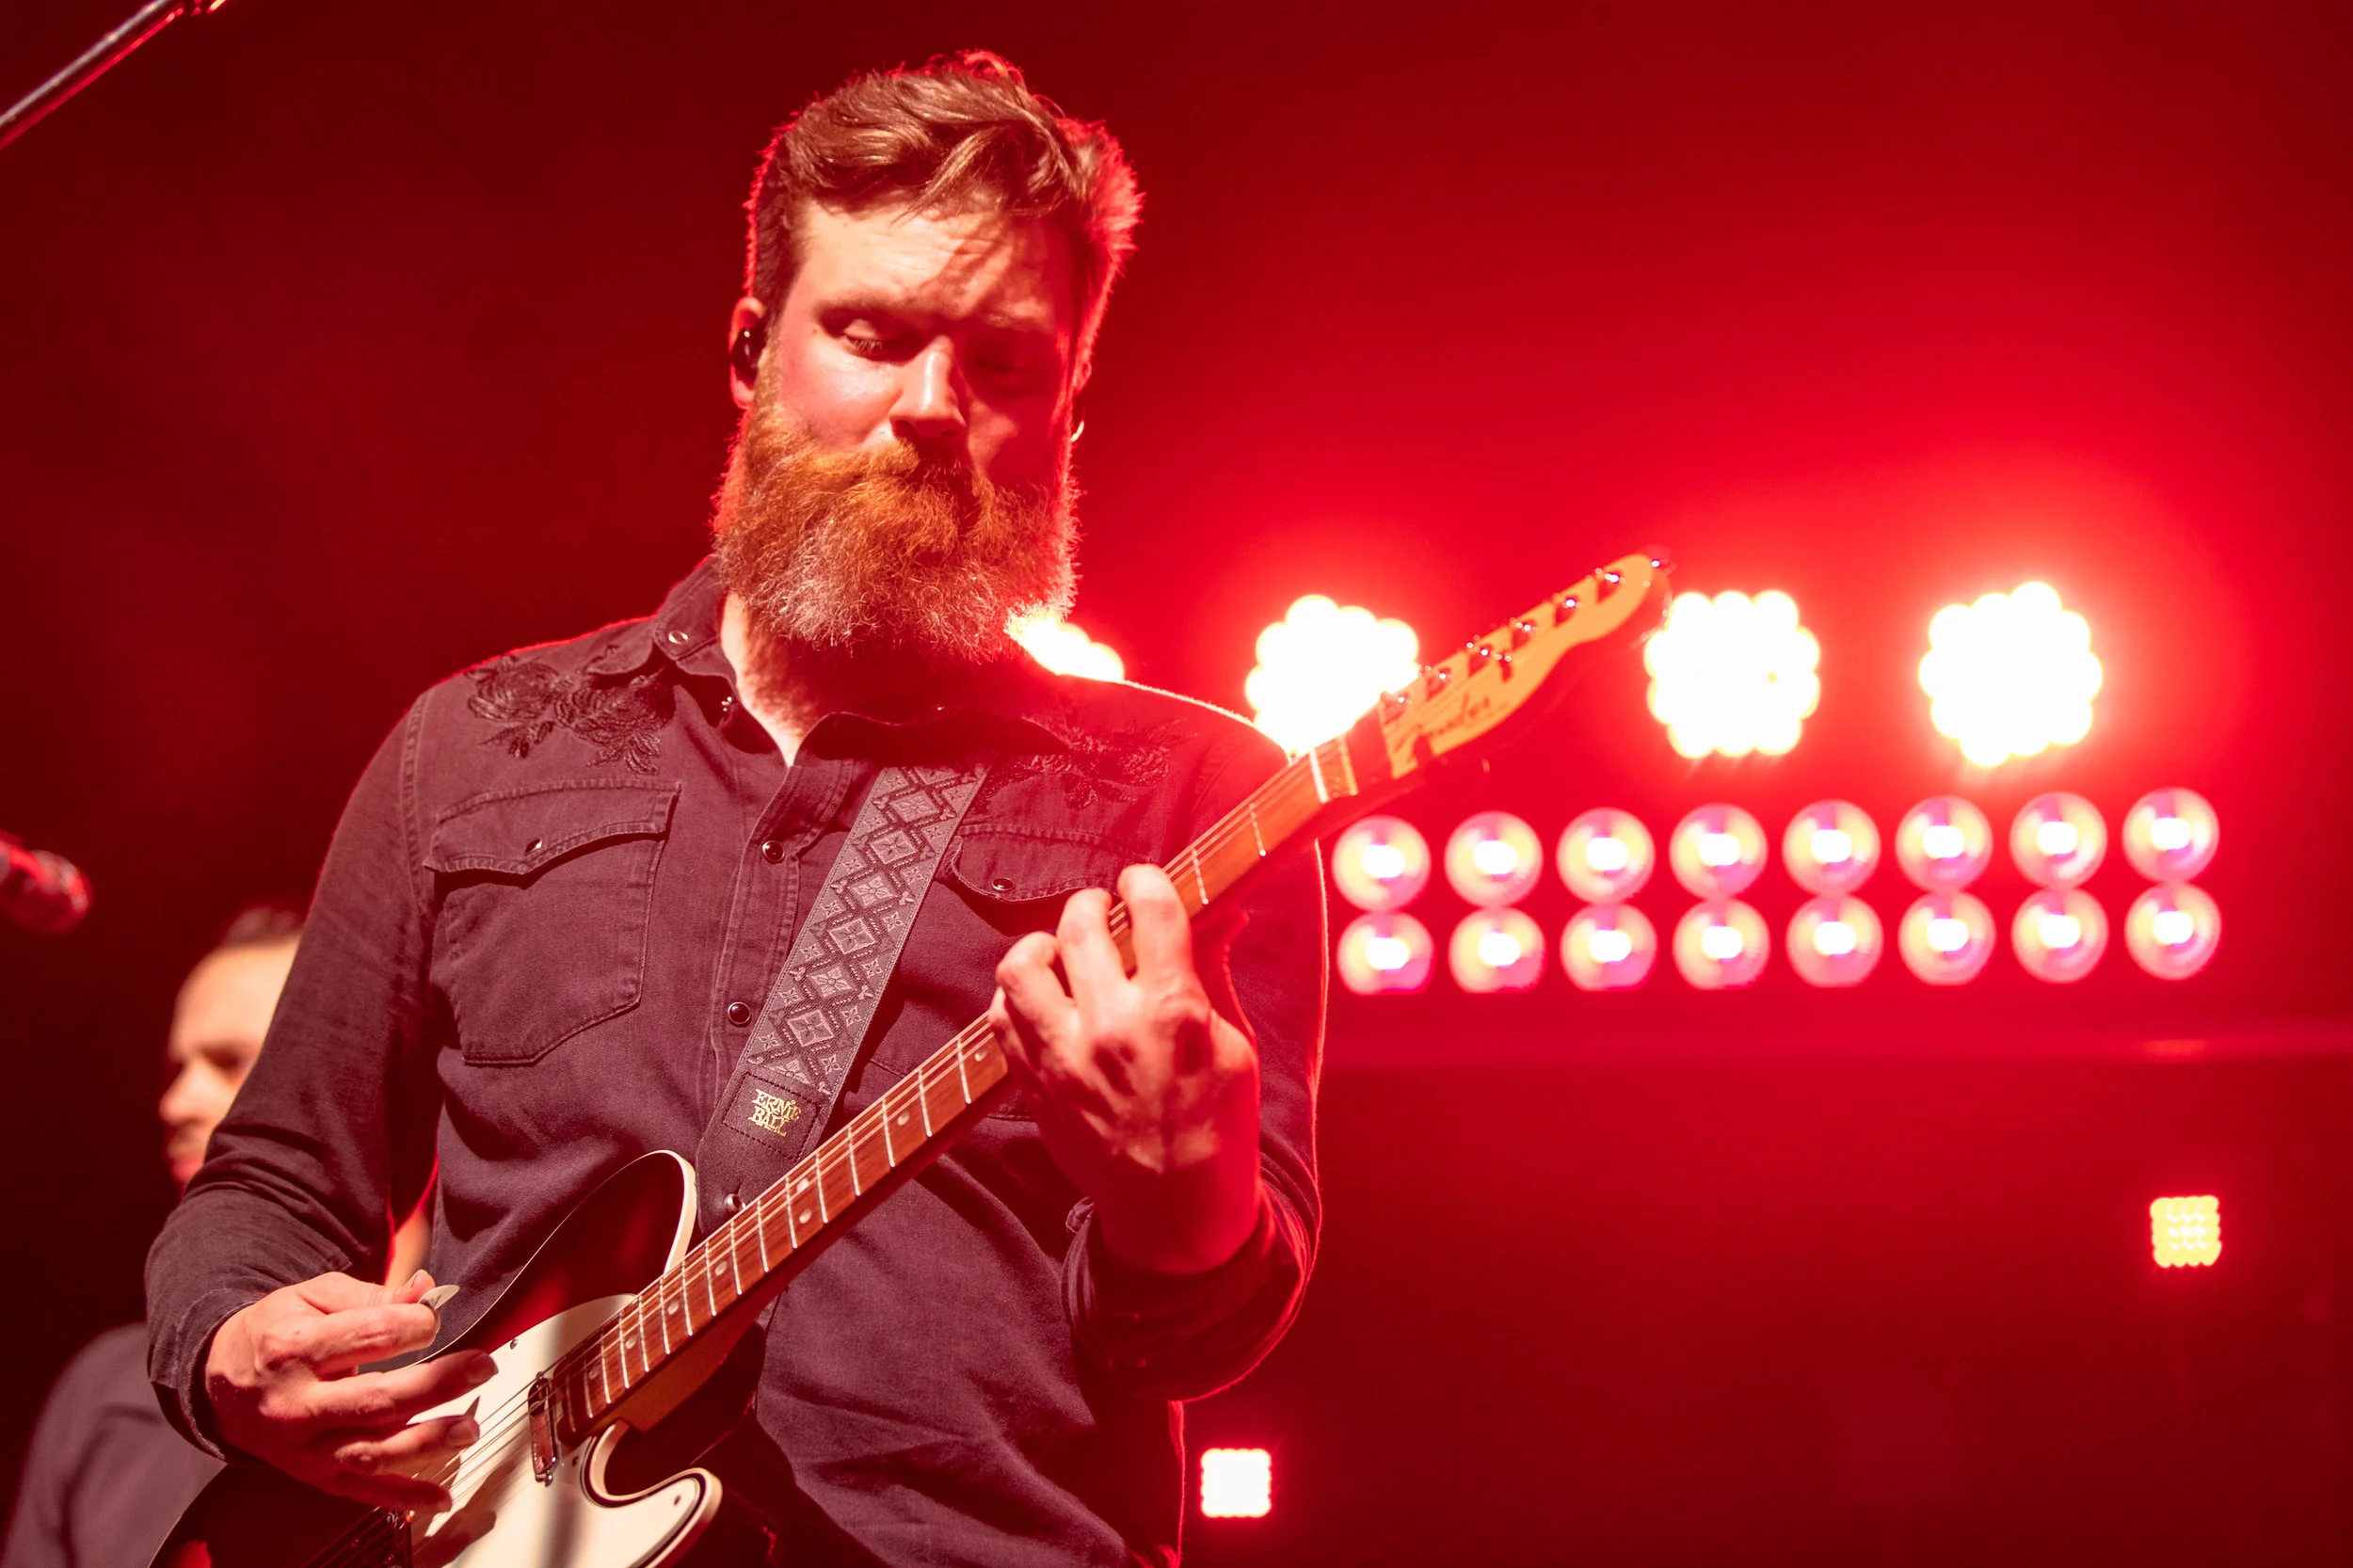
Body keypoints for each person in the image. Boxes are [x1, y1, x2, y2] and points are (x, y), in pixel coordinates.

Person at [144, 52, 1323, 1567]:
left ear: (1072, 408)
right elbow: (274, 1182)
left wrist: (1188, 1206)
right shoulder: (478, 744)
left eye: (1007, 362)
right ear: (751, 352)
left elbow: (1201, 1333)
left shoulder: (1197, 795)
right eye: (873, 333)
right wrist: (231, 1345)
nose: (932, 407)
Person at [6, 907, 429, 1568]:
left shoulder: (498, 1340)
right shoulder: (103, 1391)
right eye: (178, 1067)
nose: (176, 1102)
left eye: (230, 1063)